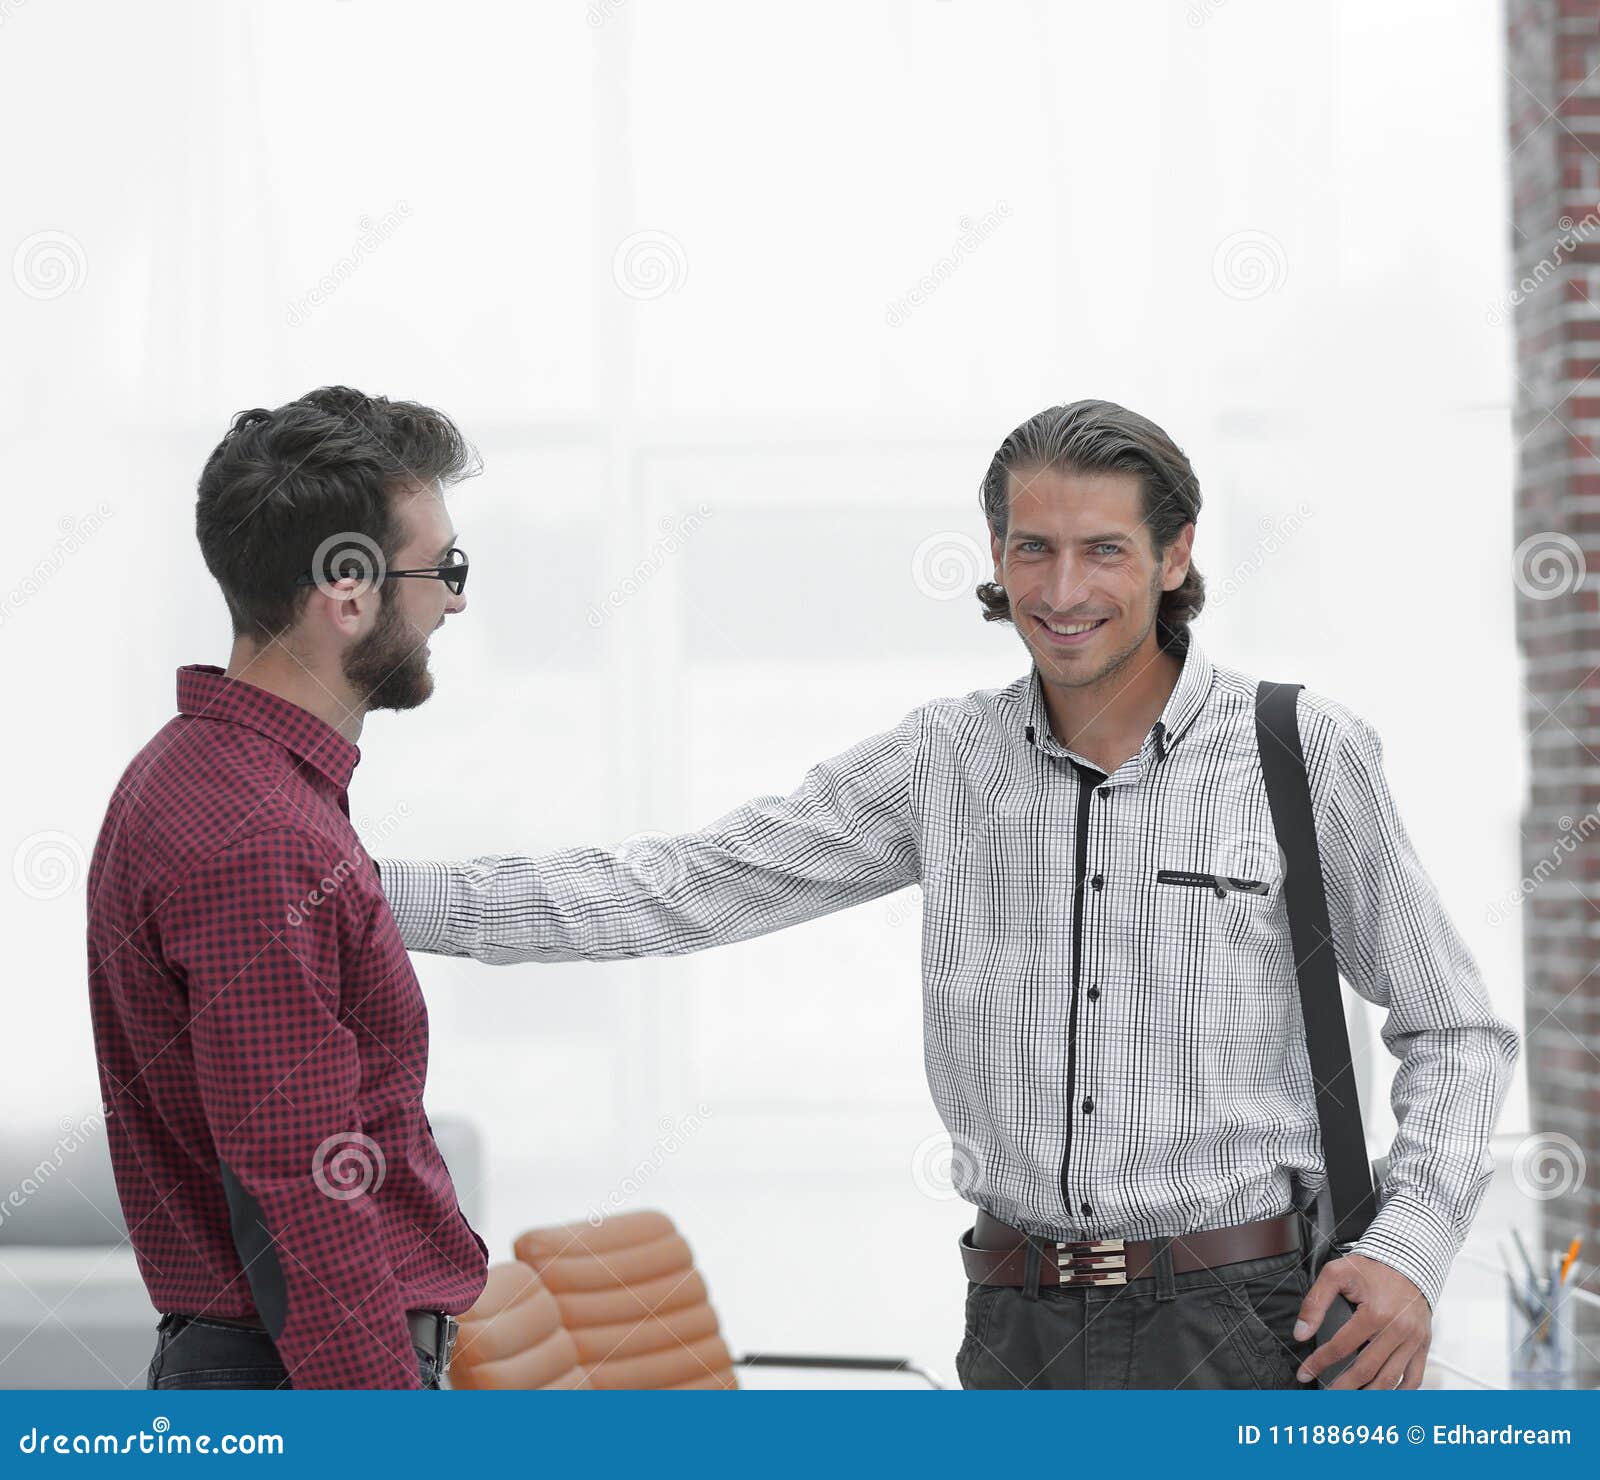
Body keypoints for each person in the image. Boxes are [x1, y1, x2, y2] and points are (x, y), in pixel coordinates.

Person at [379, 398, 1519, 1389]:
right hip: (1015, 1326)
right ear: (994, 550)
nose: (1062, 591)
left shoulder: (1298, 750)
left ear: (1175, 555)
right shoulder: (943, 764)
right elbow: (680, 888)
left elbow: (1456, 1027)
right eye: (1032, 548)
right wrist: (357, 888)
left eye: (1104, 550)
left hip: (1245, 1325)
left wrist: (1409, 1248)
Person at [86, 386, 487, 1390]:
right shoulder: (262, 838)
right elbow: (299, 1188)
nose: (455, 599)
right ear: (347, 591)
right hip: (297, 1386)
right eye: (444, 568)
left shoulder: (209, 775)